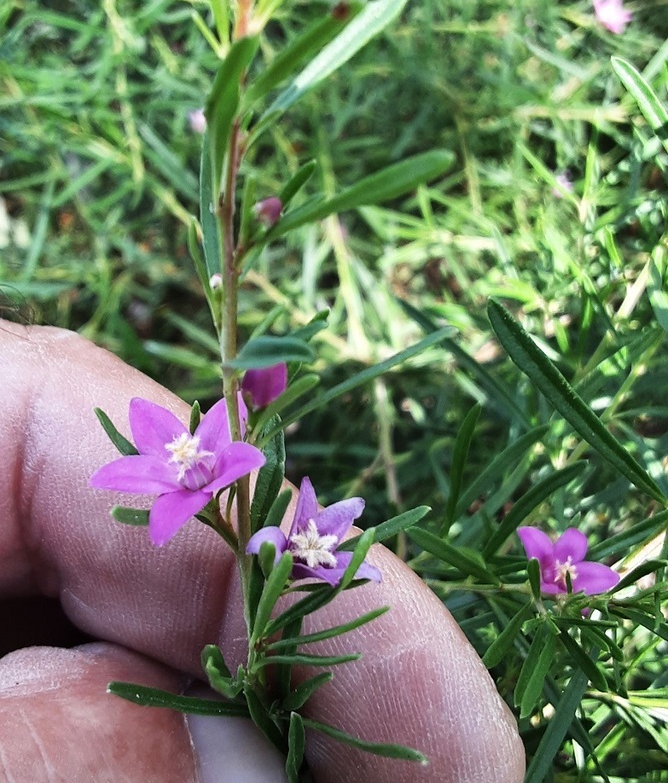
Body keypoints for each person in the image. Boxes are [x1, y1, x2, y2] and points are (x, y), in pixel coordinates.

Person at [0, 321, 525, 782]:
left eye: (197, 453)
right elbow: (195, 485)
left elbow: (244, 455)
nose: (189, 456)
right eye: (186, 456)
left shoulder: (236, 458)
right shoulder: (187, 482)